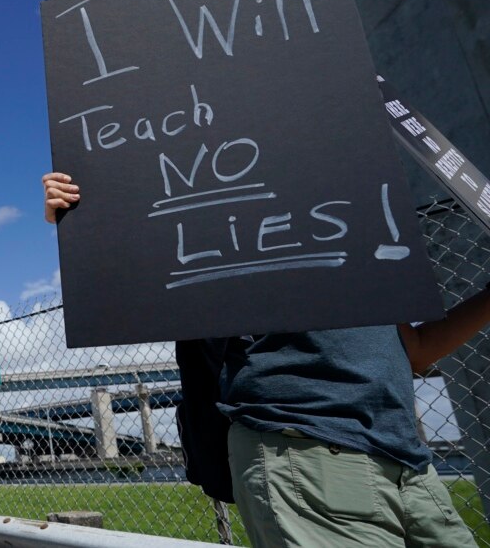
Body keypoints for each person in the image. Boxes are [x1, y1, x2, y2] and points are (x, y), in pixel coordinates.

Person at [42, 171, 490, 547]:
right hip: (305, 452)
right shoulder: (238, 221)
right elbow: (142, 273)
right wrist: (84, 219)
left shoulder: (361, 229)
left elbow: (414, 350)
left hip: (407, 460)